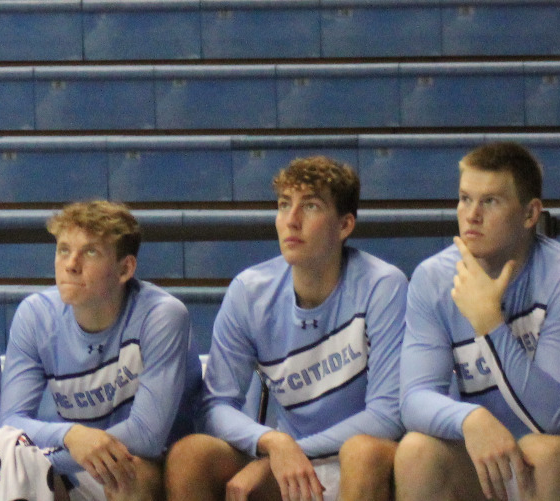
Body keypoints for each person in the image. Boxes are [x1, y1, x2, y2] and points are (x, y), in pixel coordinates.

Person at [165, 157, 405, 501]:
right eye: (283, 205)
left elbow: (386, 415)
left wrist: (291, 451)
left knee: (362, 453)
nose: (291, 220)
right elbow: (215, 405)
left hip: (366, 460)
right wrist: (271, 443)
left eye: (310, 206)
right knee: (191, 455)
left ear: (344, 225)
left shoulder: (382, 285)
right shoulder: (250, 291)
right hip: (290, 462)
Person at [395, 142, 560, 501]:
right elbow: (414, 398)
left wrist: (489, 322)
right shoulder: (433, 278)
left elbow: (551, 417)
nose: (471, 215)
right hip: (484, 443)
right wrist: (470, 420)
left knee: (542, 453)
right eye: (465, 198)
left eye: (490, 201)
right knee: (417, 452)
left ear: (530, 215)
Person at [0, 200, 204, 501]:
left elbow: (146, 436)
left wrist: (43, 458)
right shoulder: (35, 315)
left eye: (90, 252)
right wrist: (71, 436)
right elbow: (11, 421)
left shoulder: (161, 315)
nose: (71, 264)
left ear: (125, 268)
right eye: (64, 249)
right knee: (1, 473)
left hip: (152, 465)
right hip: (76, 458)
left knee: (127, 476)